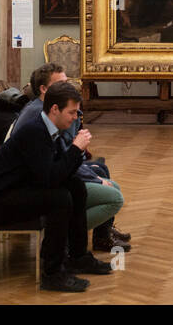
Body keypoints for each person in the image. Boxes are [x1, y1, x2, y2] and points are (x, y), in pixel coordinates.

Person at [0, 81, 111, 292]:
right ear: (55, 109)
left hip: (18, 188)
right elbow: (50, 178)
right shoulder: (35, 131)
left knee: (75, 186)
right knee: (59, 199)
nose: (76, 117)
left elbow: (57, 172)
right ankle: (52, 273)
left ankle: (78, 256)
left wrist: (77, 153)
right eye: (72, 112)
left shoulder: (49, 127)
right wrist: (75, 150)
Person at [13, 64, 131, 252]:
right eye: (61, 83)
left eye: (67, 83)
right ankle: (68, 236)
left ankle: (100, 234)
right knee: (113, 195)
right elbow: (62, 158)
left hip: (49, 178)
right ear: (44, 89)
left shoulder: (45, 109)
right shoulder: (43, 115)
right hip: (37, 186)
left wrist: (93, 175)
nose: (67, 87)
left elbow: (65, 154)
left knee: (104, 176)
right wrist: (95, 179)